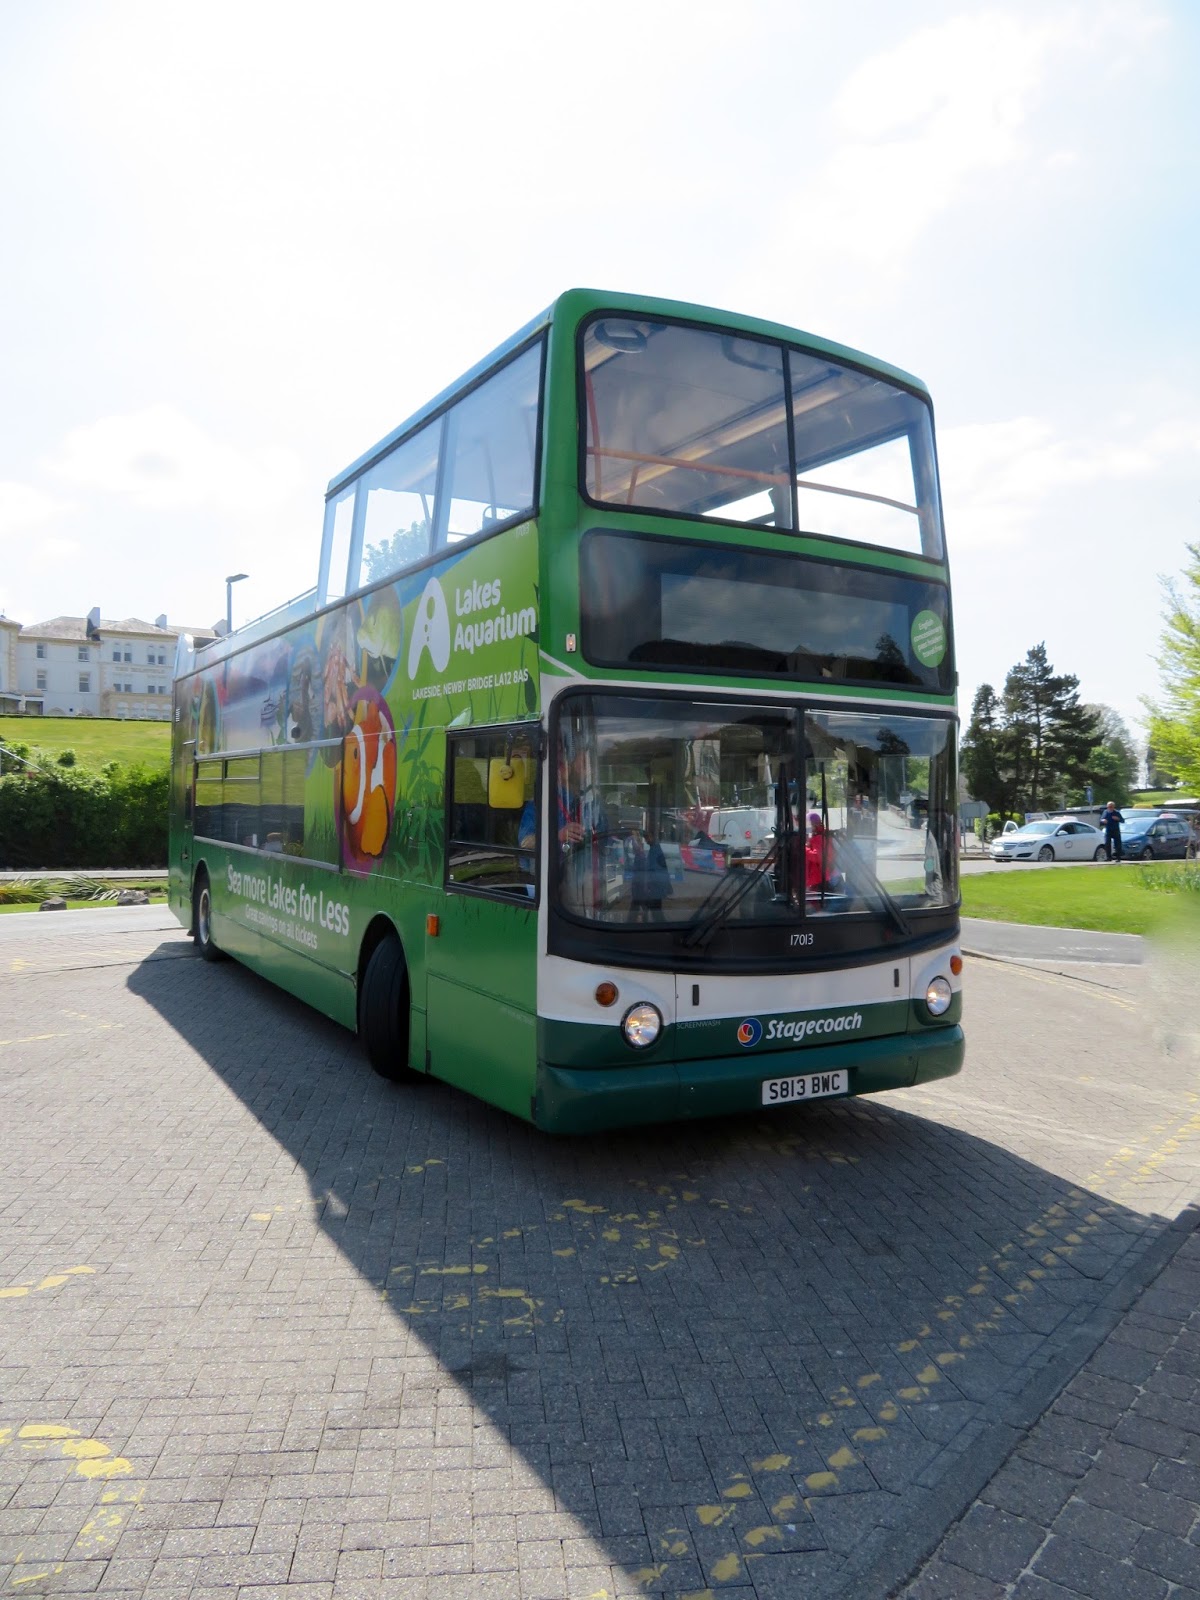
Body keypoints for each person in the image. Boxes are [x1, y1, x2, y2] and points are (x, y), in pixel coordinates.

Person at [805, 811, 841, 892]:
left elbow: (817, 857)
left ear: (814, 825)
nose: (807, 829)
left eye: (808, 826)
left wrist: (804, 848)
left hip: (819, 879)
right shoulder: (823, 835)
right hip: (820, 878)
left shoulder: (819, 837)